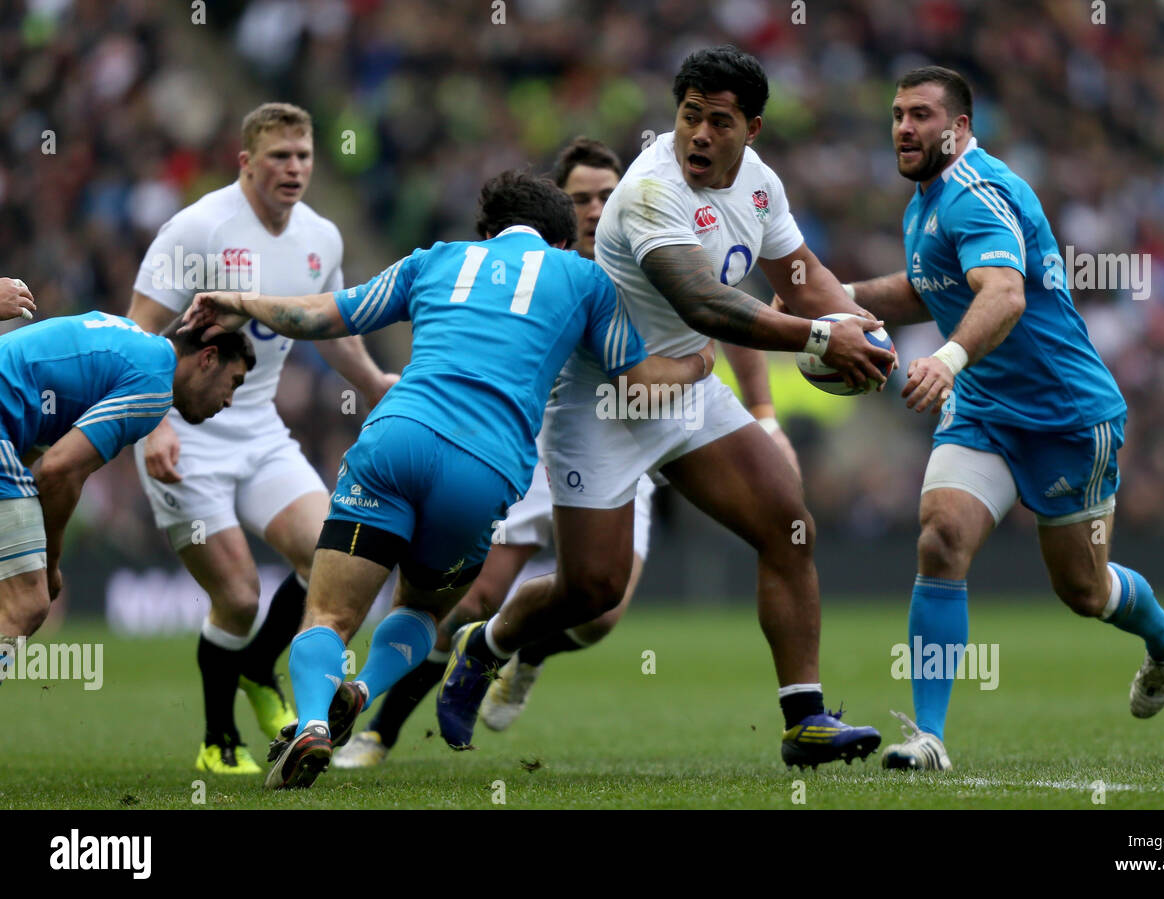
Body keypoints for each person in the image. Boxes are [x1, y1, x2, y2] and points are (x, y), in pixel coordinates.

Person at [436, 46, 896, 770]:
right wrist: (820, 336)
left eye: (719, 121)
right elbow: (707, 303)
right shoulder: (650, 190)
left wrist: (869, 335)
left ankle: (804, 719)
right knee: (594, 590)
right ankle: (484, 643)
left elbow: (802, 278)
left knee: (791, 526)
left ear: (754, 128)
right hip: (604, 396)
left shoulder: (760, 186)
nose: (700, 136)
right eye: (689, 117)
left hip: (684, 389)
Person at [182, 170, 712, 789]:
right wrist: (702, 358)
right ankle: (364, 689)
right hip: (484, 470)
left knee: (327, 612)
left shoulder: (434, 260)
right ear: (564, 240)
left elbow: (323, 316)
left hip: (397, 439)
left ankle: (311, 724)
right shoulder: (584, 278)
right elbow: (639, 383)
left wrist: (240, 302)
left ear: (486, 232)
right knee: (422, 609)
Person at [335, 136, 801, 767]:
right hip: (533, 442)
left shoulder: (653, 240)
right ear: (558, 211)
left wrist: (764, 414)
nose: (595, 208)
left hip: (632, 432)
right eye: (580, 197)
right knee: (470, 597)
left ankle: (525, 653)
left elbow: (725, 316)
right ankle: (379, 732)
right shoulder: (544, 264)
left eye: (607, 195)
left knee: (598, 611)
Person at [843, 66, 1164, 770]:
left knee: (1084, 591)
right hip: (985, 410)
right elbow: (926, 286)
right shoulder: (924, 202)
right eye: (898, 114)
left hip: (1065, 415)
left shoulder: (977, 191)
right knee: (941, 537)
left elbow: (1004, 295)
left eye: (923, 115)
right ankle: (930, 736)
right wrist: (841, 299)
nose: (905, 127)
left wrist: (945, 359)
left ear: (961, 128)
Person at [127, 103, 396, 775]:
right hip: (183, 433)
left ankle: (256, 666)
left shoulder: (321, 238)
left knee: (333, 561)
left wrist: (370, 381)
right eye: (280, 157)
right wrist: (154, 423)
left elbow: (327, 325)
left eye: (303, 156)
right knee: (240, 596)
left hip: (259, 433)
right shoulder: (198, 227)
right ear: (246, 162)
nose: (295, 169)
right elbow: (137, 330)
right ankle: (218, 738)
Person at [0, 312, 250, 643]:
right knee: (27, 602)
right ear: (208, 358)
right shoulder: (154, 383)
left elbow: (35, 443)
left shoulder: (129, 340)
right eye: (233, 382)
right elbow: (59, 469)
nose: (229, 400)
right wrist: (51, 563)